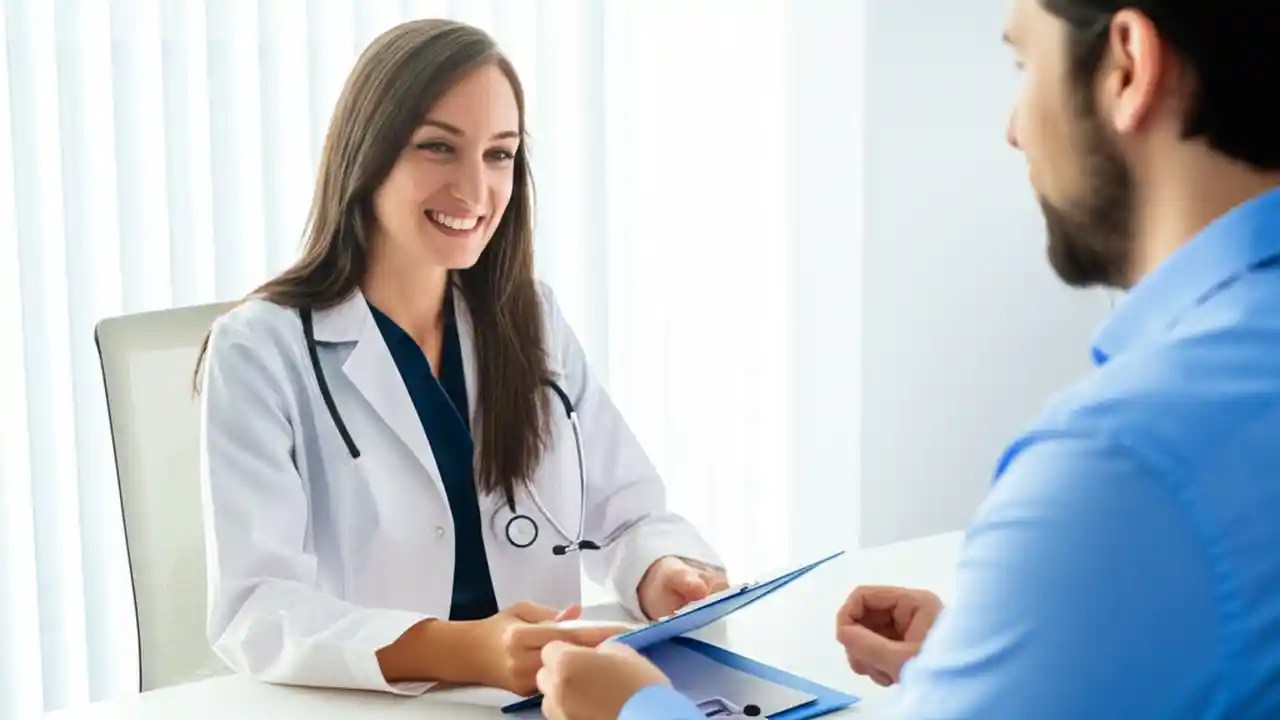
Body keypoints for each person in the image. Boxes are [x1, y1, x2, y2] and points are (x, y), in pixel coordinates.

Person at [534, 0, 1280, 717]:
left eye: (1024, 63)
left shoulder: (1123, 465)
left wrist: (637, 712)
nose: (1015, 129)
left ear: (1127, 67)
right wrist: (1011, 654)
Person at [196, 19, 728, 697]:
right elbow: (257, 610)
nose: (475, 191)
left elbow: (627, 516)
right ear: (368, 155)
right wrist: (468, 649)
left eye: (499, 155)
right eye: (438, 148)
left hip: (547, 697)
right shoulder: (261, 350)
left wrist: (663, 572)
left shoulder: (528, 318)